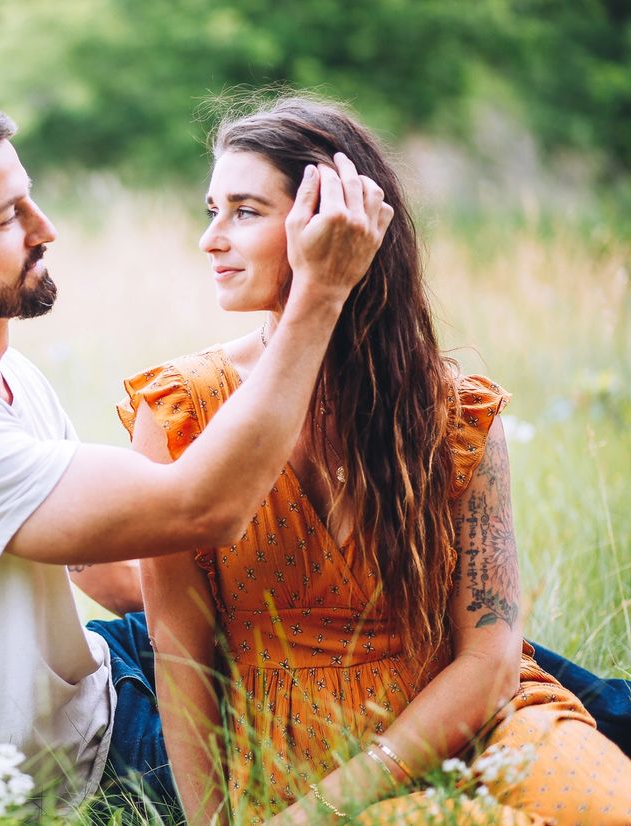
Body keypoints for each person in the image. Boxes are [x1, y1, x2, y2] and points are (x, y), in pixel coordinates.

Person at [0, 99, 392, 812]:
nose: (44, 229)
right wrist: (321, 293)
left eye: (29, 199)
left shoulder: (5, 378)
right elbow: (203, 507)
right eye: (7, 219)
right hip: (67, 777)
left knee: (392, 652)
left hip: (104, 675)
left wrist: (338, 629)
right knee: (366, 766)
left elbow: (119, 579)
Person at [120, 95, 631, 824]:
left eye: (244, 211)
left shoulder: (452, 410)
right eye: (212, 209)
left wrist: (359, 786)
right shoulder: (181, 409)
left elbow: (489, 660)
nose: (211, 239)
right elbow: (181, 657)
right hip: (298, 753)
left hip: (484, 723)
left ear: (339, 223)